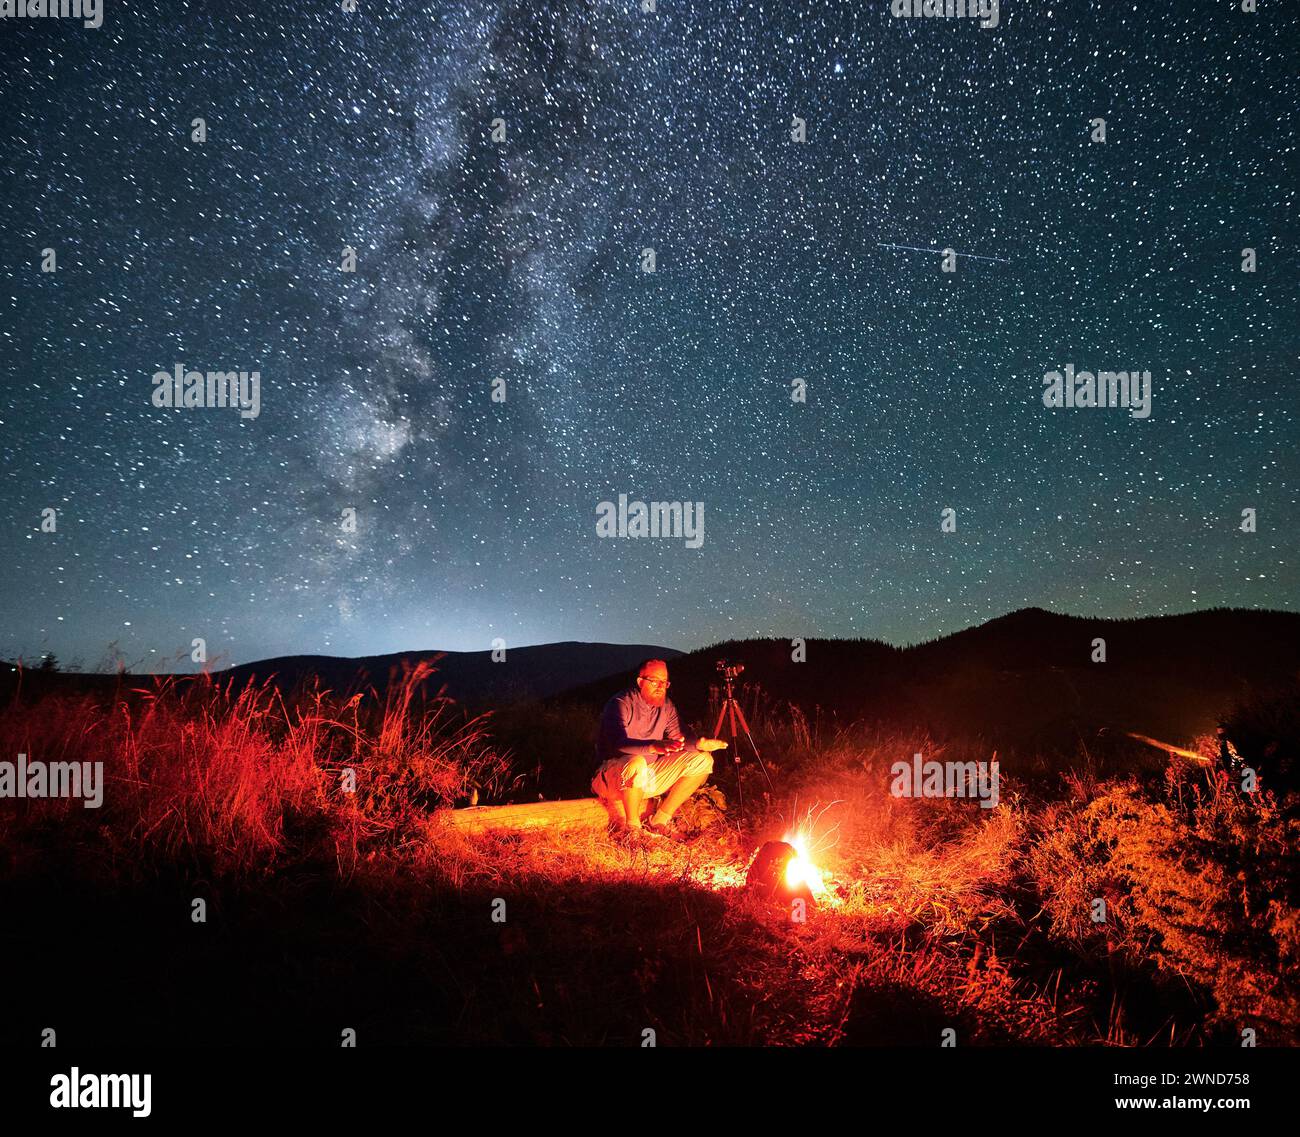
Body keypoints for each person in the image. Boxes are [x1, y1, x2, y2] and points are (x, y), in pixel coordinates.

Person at [591, 659, 725, 839]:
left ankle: (659, 820)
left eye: (665, 682)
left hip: (646, 776)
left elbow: (679, 738)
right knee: (637, 761)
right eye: (655, 681)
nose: (661, 686)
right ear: (640, 682)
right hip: (611, 777)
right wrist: (653, 747)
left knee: (703, 759)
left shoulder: (666, 706)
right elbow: (618, 743)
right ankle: (632, 829)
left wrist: (699, 744)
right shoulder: (621, 703)